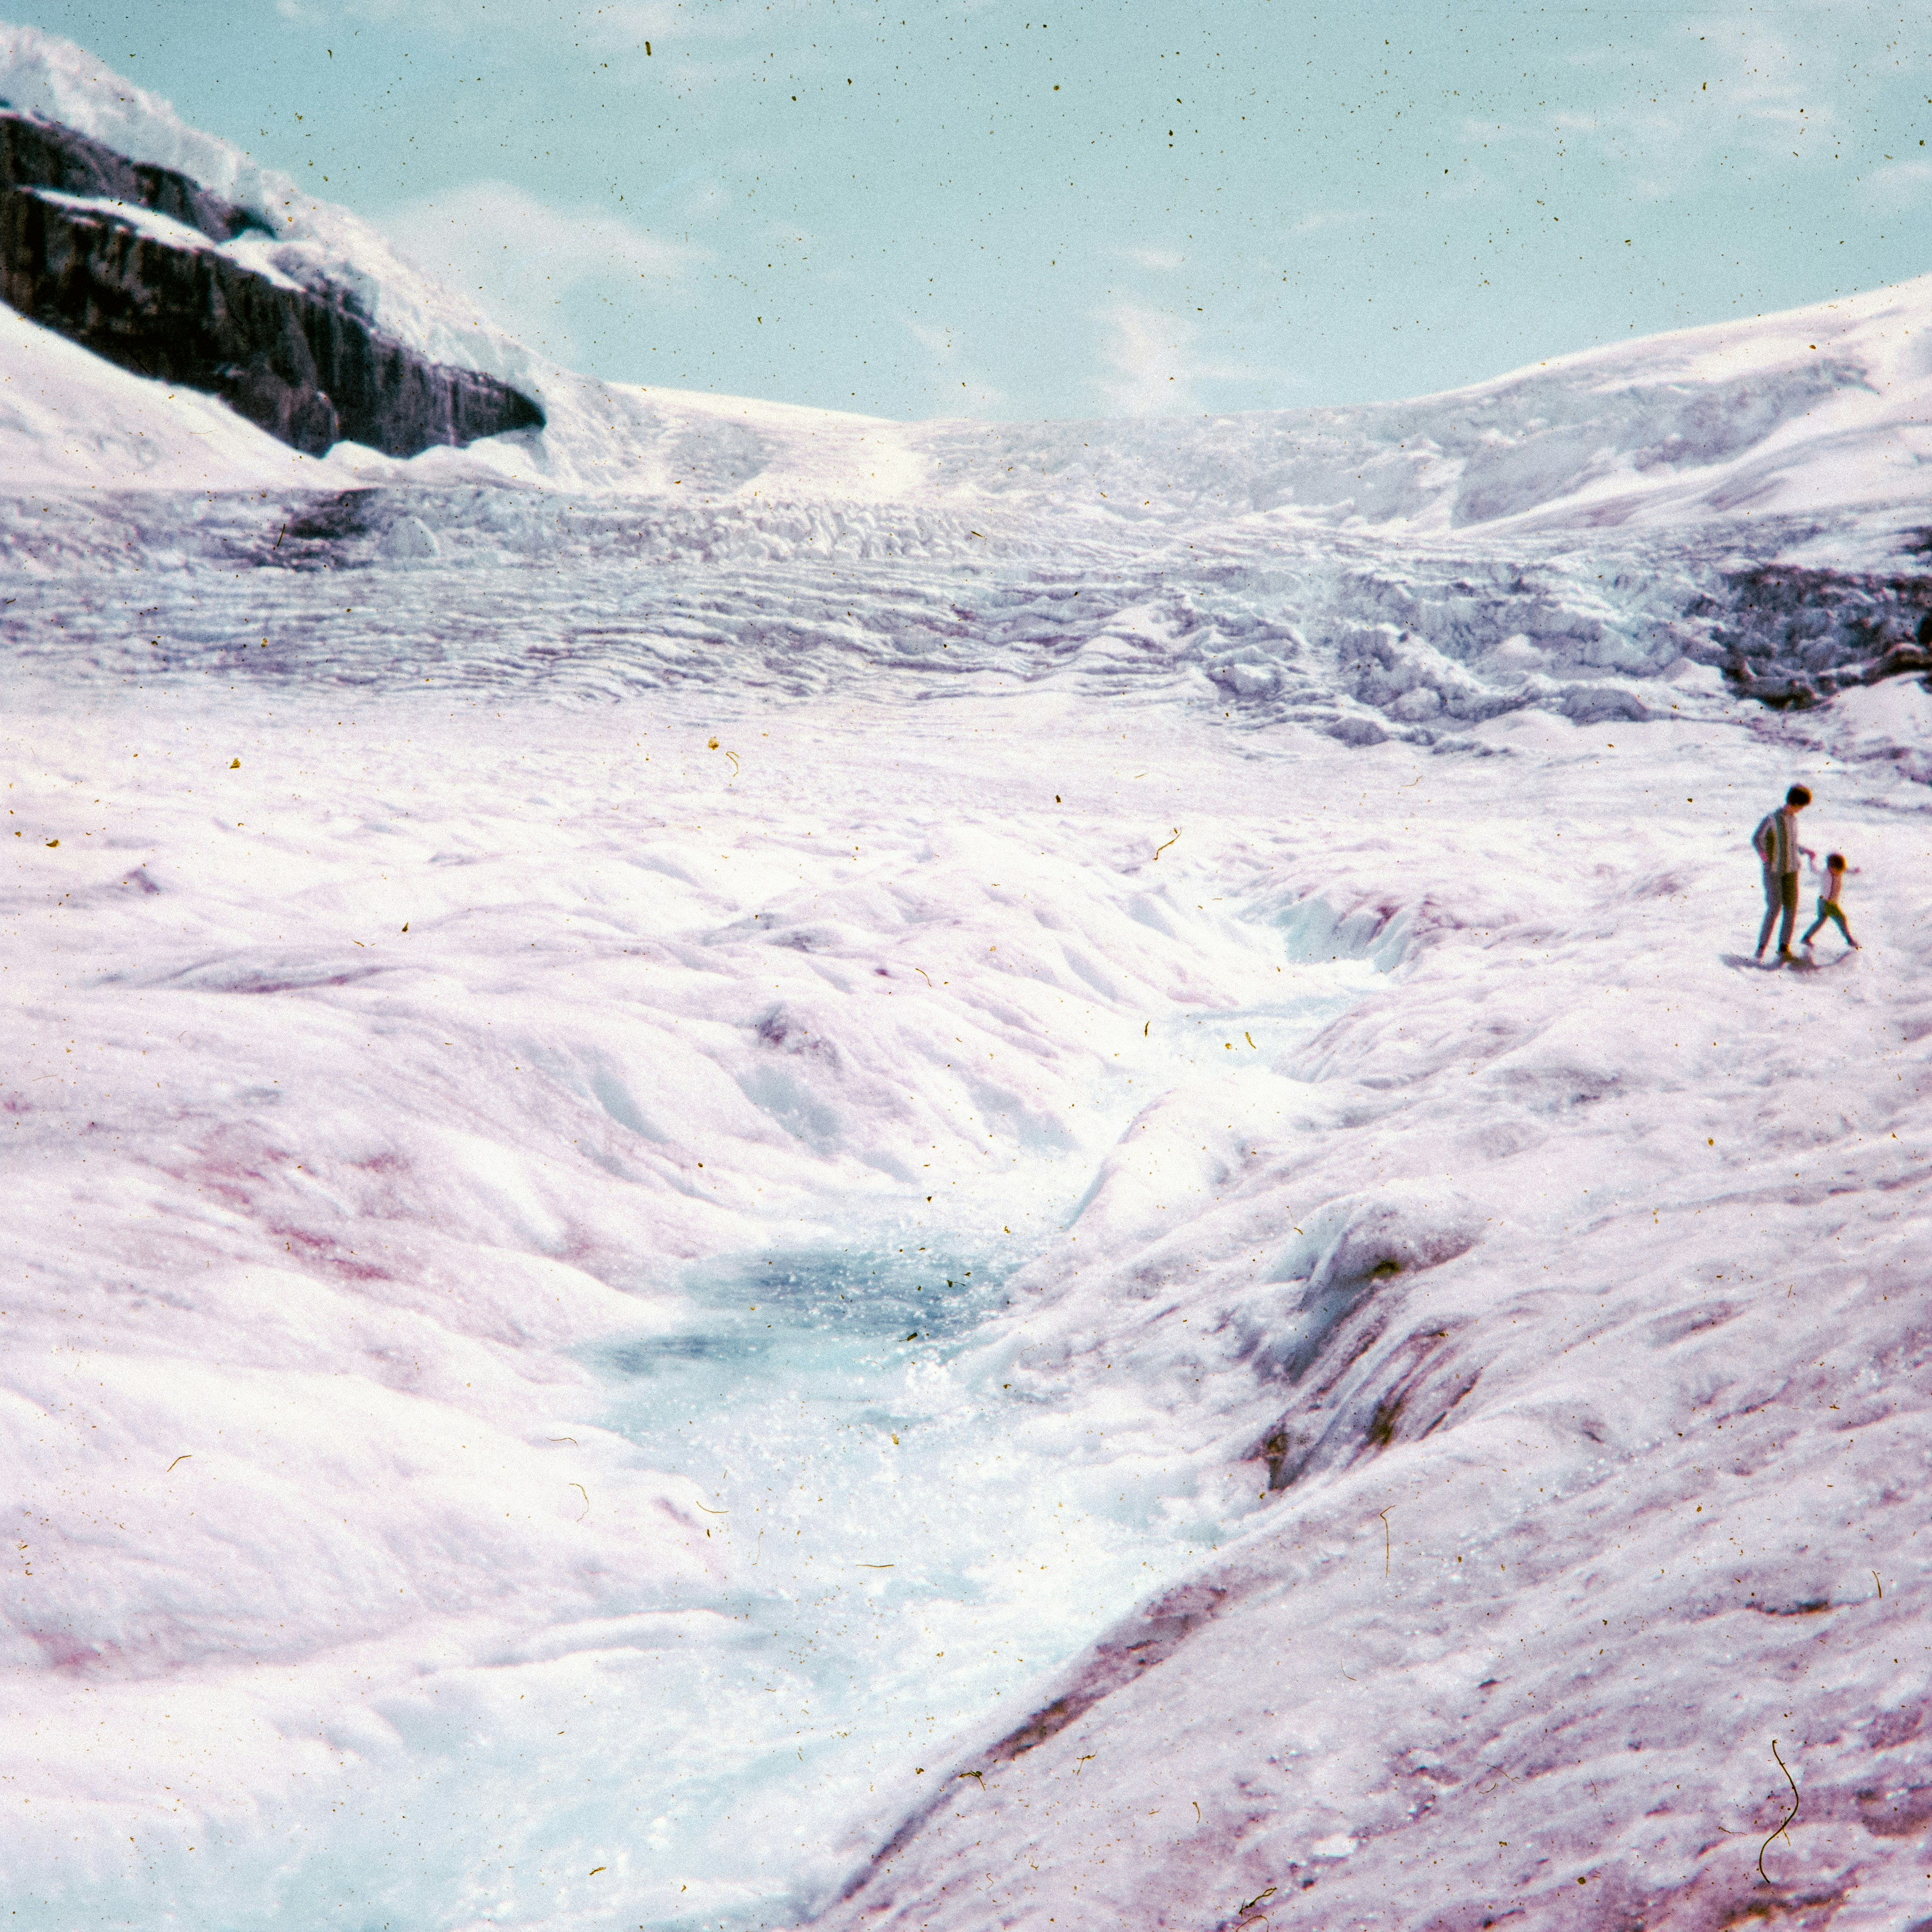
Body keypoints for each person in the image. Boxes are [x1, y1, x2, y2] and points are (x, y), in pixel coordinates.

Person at [1753, 785, 1815, 961]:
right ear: (1794, 802)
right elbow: (1757, 838)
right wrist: (1765, 856)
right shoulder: (1772, 819)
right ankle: (1761, 948)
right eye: (1801, 806)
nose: (1801, 810)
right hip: (1774, 870)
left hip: (1792, 869)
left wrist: (1805, 850)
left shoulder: (1793, 820)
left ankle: (1783, 947)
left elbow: (1791, 843)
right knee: (1775, 907)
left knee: (1791, 909)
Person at [1800, 852, 1861, 952]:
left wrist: (1855, 871)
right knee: (1841, 919)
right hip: (1827, 903)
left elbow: (1847, 870)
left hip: (1824, 902)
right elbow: (1814, 870)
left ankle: (1806, 938)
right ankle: (1849, 940)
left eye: (1840, 870)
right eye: (1836, 870)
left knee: (1820, 921)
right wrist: (1811, 860)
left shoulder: (1840, 870)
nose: (1838, 872)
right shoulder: (1825, 873)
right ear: (1830, 867)